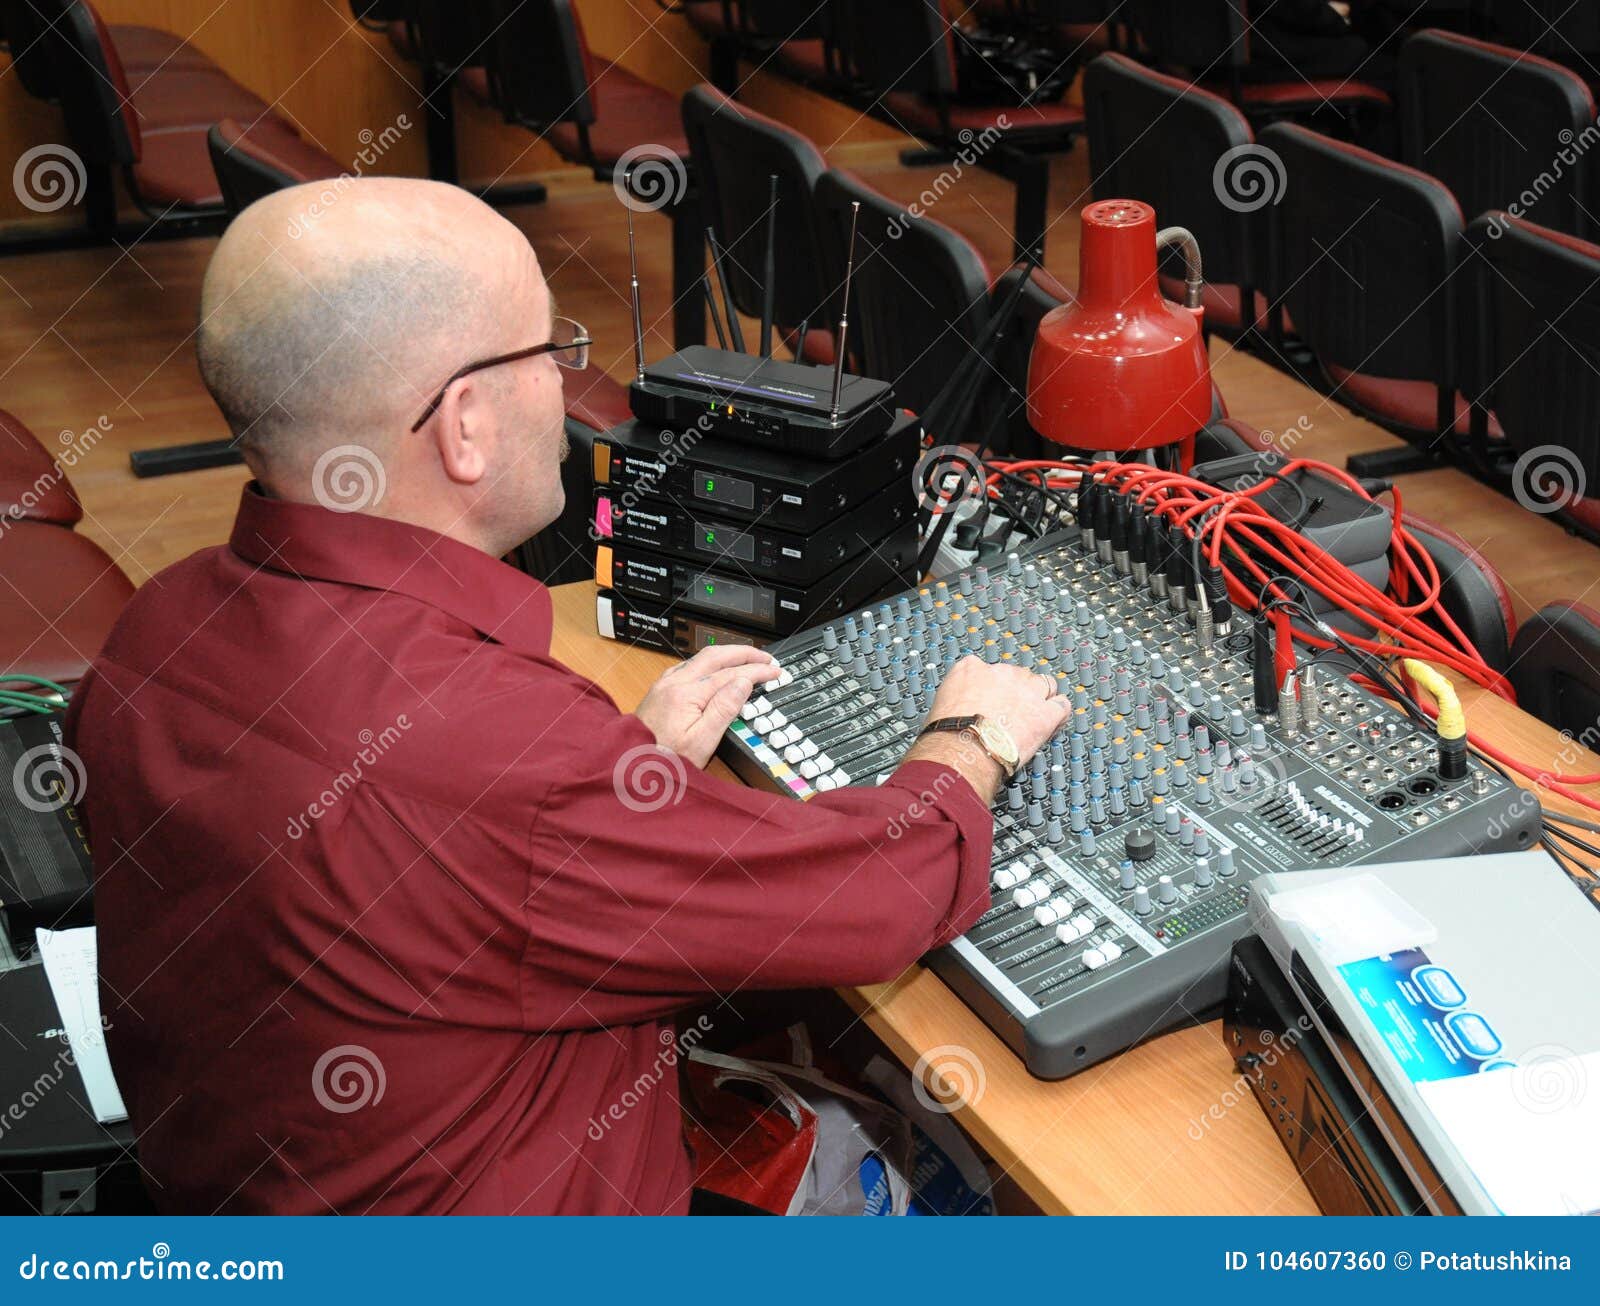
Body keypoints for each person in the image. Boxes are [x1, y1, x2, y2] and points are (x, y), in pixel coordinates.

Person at [65, 178, 1070, 1215]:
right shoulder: (495, 760)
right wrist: (966, 741)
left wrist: (614, 796)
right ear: (462, 425)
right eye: (549, 350)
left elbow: (401, 889)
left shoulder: (153, 630)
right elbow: (869, 898)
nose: (566, 379)